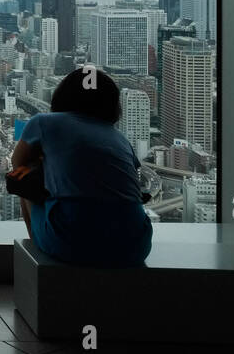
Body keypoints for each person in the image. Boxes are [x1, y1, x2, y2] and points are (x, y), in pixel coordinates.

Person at [11, 66, 152, 267]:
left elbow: (18, 164)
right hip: (136, 245)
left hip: (71, 242)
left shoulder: (43, 123)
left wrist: (47, 164)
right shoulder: (120, 139)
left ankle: (38, 251)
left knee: (23, 179)